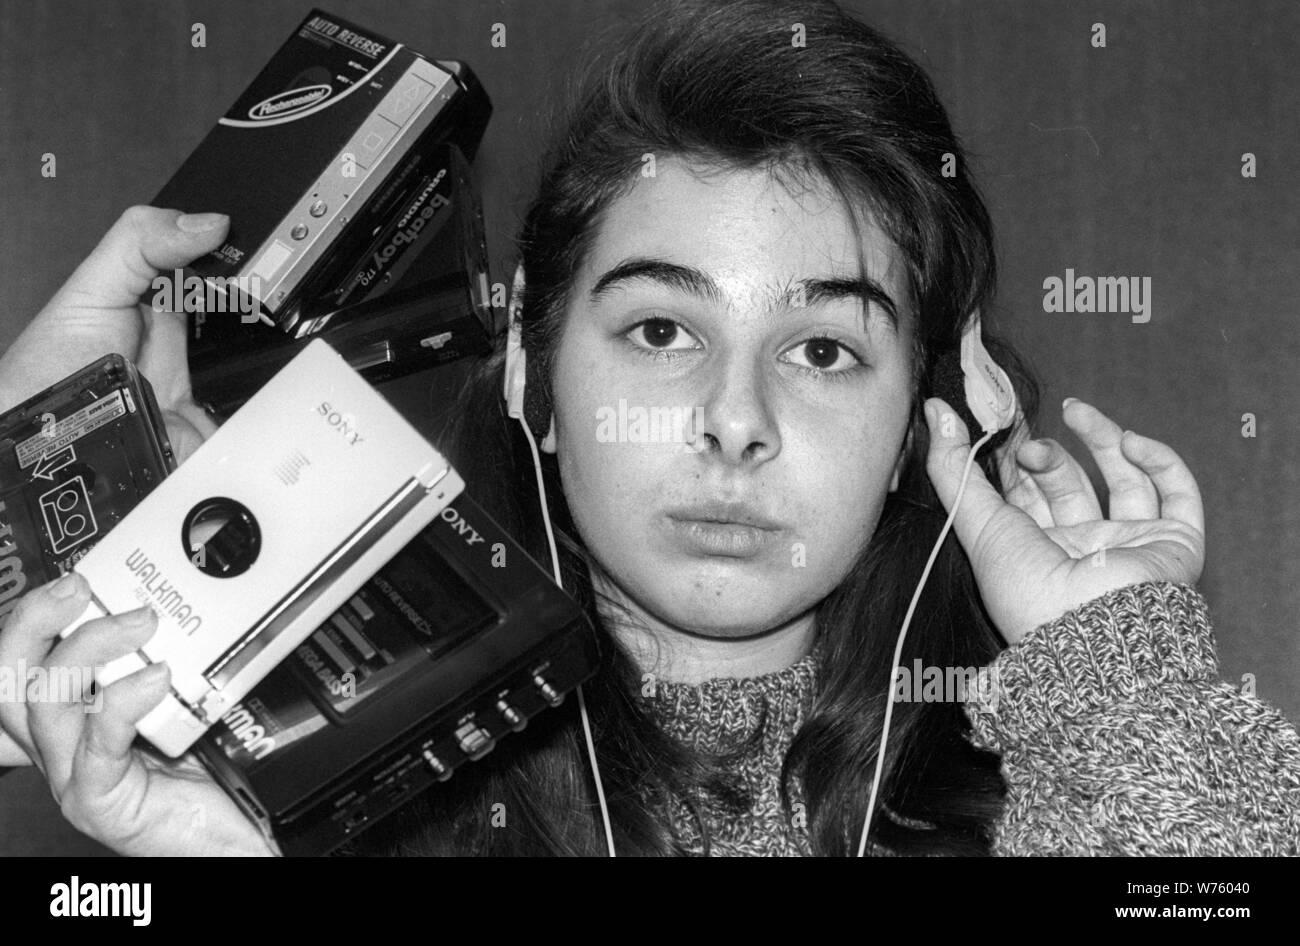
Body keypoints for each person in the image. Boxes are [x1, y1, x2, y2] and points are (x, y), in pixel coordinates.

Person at [1, 0, 1297, 857]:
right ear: (531, 382)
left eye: (827, 348)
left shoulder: (1061, 777)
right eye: (663, 333)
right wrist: (28, 494)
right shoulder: (327, 793)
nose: (736, 421)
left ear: (921, 425)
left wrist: (1121, 669)